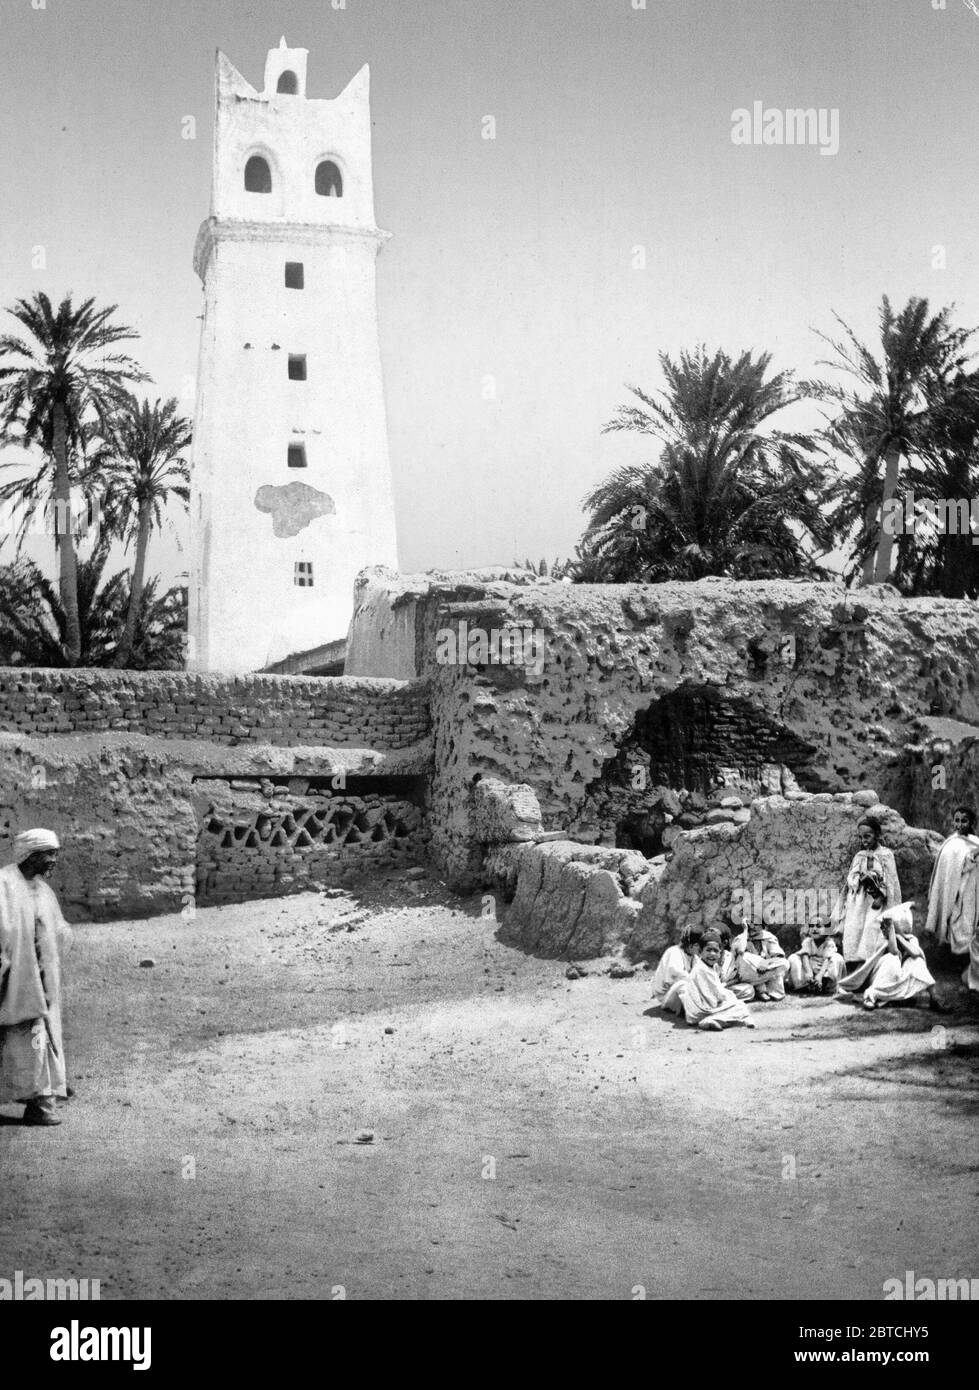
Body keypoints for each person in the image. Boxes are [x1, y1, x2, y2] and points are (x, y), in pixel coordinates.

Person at [0, 830, 69, 1126]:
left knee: (40, 1038)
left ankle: (42, 1104)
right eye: (48, 854)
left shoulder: (43, 890)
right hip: (13, 982)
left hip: (41, 982)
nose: (54, 860)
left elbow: (59, 931)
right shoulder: (4, 885)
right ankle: (40, 1103)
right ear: (31, 855)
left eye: (55, 853)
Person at [837, 902, 945, 1012]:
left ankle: (934, 997)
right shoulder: (883, 940)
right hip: (884, 979)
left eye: (887, 926)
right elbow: (894, 951)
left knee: (917, 961)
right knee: (891, 959)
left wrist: (899, 936)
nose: (884, 929)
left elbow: (916, 953)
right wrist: (892, 935)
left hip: (901, 979)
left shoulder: (912, 939)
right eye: (884, 926)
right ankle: (871, 997)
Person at [833, 815, 902, 965]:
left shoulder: (886, 855)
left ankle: (871, 964)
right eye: (861, 837)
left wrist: (879, 889)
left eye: (868, 836)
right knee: (856, 929)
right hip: (858, 901)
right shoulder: (859, 856)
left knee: (872, 929)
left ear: (877, 835)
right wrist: (859, 878)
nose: (864, 841)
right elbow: (850, 879)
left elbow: (891, 881)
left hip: (877, 900)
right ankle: (856, 964)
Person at [924, 806, 979, 959]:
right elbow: (955, 867)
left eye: (964, 821)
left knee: (967, 921)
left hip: (970, 891)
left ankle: (966, 959)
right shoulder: (951, 843)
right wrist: (973, 855)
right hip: (952, 890)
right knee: (953, 920)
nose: (960, 824)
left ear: (972, 822)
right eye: (957, 820)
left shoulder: (975, 842)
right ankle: (950, 958)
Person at [681, 931, 755, 1031]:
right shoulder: (701, 969)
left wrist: (727, 996)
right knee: (739, 1006)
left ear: (720, 953)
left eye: (716, 951)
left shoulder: (711, 967)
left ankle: (715, 1020)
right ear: (700, 951)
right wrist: (728, 997)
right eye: (708, 950)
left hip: (704, 1007)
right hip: (701, 1010)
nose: (712, 954)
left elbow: (716, 989)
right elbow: (714, 996)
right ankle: (708, 1020)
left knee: (736, 1003)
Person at [730, 918, 789, 1001]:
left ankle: (763, 989)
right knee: (744, 956)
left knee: (784, 963)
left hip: (764, 971)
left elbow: (779, 956)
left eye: (756, 924)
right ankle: (761, 989)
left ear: (762, 926)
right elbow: (740, 952)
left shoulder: (769, 937)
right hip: (746, 974)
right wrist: (745, 930)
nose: (752, 926)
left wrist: (765, 962)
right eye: (749, 924)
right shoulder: (741, 938)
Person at [651, 925, 702, 1015]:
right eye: (699, 946)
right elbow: (677, 976)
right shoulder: (674, 952)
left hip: (678, 992)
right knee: (684, 985)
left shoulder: (694, 957)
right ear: (691, 946)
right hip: (666, 995)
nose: (701, 949)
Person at [786, 920, 845, 995]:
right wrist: (809, 972)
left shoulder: (829, 942)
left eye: (818, 926)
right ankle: (802, 985)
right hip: (810, 966)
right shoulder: (808, 941)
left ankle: (827, 986)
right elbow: (805, 956)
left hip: (823, 968)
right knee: (793, 957)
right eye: (811, 926)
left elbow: (827, 959)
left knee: (837, 957)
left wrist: (820, 975)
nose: (814, 929)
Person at [717, 925, 755, 1002]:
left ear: (724, 943)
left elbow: (736, 979)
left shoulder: (730, 956)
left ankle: (721, 999)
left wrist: (745, 929)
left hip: (724, 988)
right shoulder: (708, 955)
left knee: (749, 990)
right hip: (710, 988)